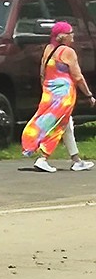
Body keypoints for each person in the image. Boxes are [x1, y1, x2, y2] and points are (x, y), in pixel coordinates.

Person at [21, 21, 96, 172]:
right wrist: (89, 95)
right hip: (64, 95)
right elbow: (78, 77)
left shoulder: (48, 49)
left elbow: (43, 73)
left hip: (49, 93)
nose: (73, 36)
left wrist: (47, 90)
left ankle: (76, 161)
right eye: (70, 33)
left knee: (66, 124)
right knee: (57, 126)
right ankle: (43, 158)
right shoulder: (67, 52)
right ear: (62, 36)